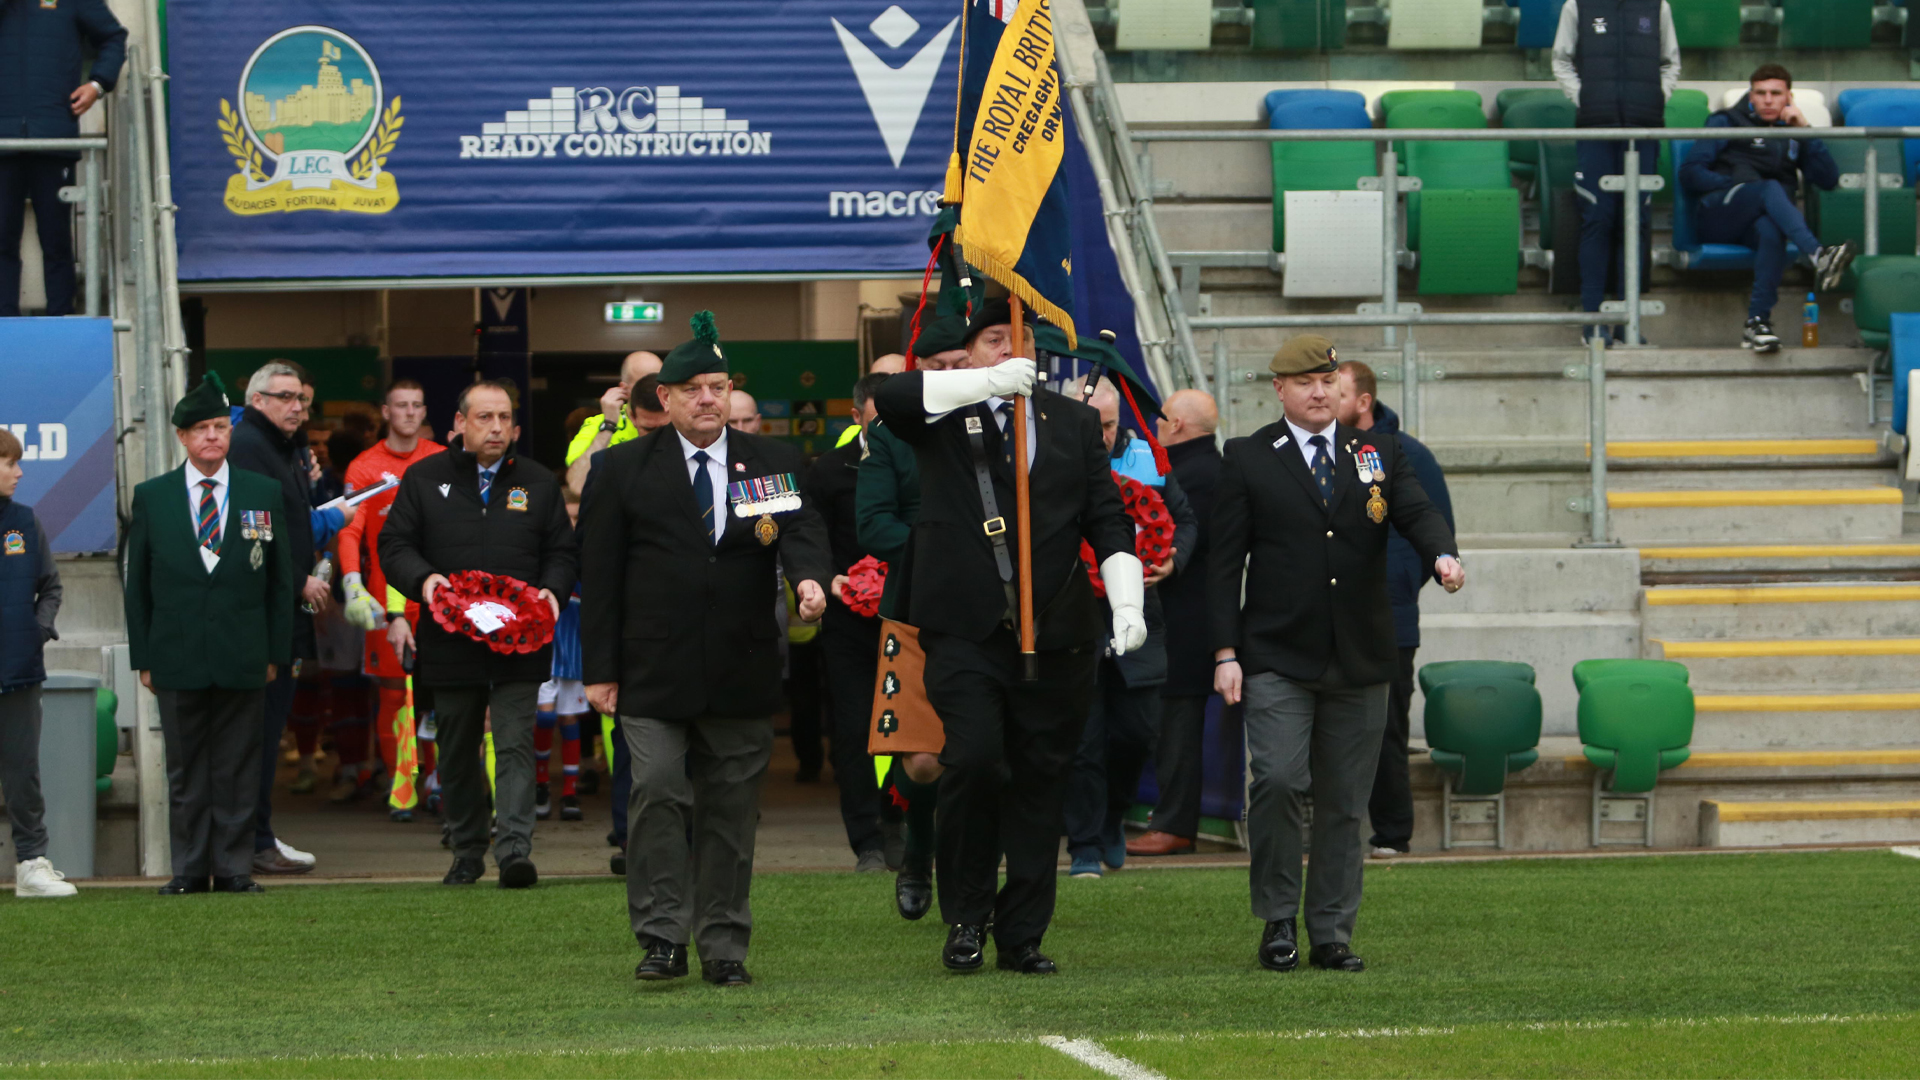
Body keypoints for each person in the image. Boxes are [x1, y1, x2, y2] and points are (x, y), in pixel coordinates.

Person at [872, 298, 1143, 975]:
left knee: (1040, 779)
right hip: (966, 629)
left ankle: (1022, 931)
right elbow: (893, 395)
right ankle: (966, 916)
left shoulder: (1074, 421)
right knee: (976, 761)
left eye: (1018, 338)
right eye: (994, 339)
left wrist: (1127, 599)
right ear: (971, 351)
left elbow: (1105, 518)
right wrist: (987, 383)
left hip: (1058, 632)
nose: (1008, 349)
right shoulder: (944, 412)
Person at [580, 312, 831, 988]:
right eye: (692, 388)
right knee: (658, 790)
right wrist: (597, 669)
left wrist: (808, 578)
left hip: (741, 666)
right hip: (650, 669)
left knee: (729, 810)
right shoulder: (624, 468)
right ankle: (662, 936)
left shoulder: (768, 462)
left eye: (718, 386)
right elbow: (599, 577)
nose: (708, 399)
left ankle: (723, 943)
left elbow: (798, 532)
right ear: (664, 397)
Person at [1211, 335, 1463, 974]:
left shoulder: (1376, 452)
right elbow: (1221, 566)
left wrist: (1441, 554)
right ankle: (1276, 918)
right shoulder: (1246, 457)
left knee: (1347, 800)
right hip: (1275, 653)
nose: (1319, 392)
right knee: (1276, 781)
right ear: (1280, 390)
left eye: (1327, 380)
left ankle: (1330, 931)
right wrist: (1224, 651)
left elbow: (1415, 510)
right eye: (1305, 382)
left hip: (1360, 652)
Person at [379, 380, 577, 889]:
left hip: (522, 639)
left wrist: (553, 591)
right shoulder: (424, 479)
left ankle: (514, 852)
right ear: (460, 424)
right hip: (450, 640)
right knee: (458, 747)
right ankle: (466, 849)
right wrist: (426, 582)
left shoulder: (537, 482)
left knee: (514, 743)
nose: (495, 427)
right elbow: (394, 543)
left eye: (504, 418)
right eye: (484, 418)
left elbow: (562, 550)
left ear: (515, 426)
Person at [124, 373, 296, 895]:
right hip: (176, 656)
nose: (213, 437)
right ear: (181, 436)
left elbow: (279, 580)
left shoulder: (260, 492)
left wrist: (276, 653)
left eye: (220, 427)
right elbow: (139, 587)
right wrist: (143, 657)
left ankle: (236, 867)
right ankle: (191, 869)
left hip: (244, 653)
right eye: (201, 429)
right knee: (187, 769)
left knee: (238, 766)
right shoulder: (153, 497)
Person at [856, 313, 972, 920]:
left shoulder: (1000, 427)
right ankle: (918, 854)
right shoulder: (892, 435)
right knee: (924, 760)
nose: (953, 378)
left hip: (990, 614)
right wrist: (949, 550)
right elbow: (873, 524)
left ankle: (969, 874)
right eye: (939, 370)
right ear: (917, 373)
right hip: (916, 611)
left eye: (962, 366)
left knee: (978, 754)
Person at [1063, 376, 1197, 880]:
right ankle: (1084, 844)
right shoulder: (1048, 455)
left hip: (1140, 615)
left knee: (1137, 734)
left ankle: (1115, 814)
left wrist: (1173, 560)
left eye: (1109, 424)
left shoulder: (1149, 458)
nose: (1101, 434)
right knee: (1082, 739)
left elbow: (1185, 522)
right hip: (1074, 617)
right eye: (1092, 424)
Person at [228, 362, 346, 876]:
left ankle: (257, 835)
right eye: (285, 397)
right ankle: (251, 841)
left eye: (301, 398)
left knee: (266, 728)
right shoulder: (249, 446)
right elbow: (253, 530)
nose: (297, 406)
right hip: (264, 619)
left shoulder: (284, 448)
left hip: (285, 615)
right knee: (256, 732)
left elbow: (291, 521)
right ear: (257, 400)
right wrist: (299, 578)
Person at [1334, 360, 1454, 859]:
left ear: (1364, 401)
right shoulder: (1326, 453)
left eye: (1335, 392)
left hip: (1390, 620)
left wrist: (1394, 590)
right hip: (1332, 616)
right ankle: (1333, 833)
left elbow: (1434, 531)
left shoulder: (1409, 455)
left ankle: (1392, 834)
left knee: (1387, 729)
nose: (1324, 400)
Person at [1681, 65, 1855, 353]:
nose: (1768, 100)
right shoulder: (1727, 121)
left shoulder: (1792, 132)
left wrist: (1804, 131)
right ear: (1751, 95)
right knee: (1770, 188)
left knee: (1771, 230)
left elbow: (1828, 179)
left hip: (1758, 221)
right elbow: (1690, 172)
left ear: (1789, 97)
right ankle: (1818, 255)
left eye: (1776, 93)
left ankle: (1757, 323)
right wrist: (1734, 183)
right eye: (1761, 93)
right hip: (1720, 215)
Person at [337, 380, 446, 821]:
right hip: (387, 597)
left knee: (439, 695)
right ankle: (403, 783)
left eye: (416, 405)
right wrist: (351, 580)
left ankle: (438, 780)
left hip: (439, 597)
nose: (408, 413)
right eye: (400, 406)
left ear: (424, 412)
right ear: (385, 412)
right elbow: (349, 528)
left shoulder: (442, 459)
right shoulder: (365, 466)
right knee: (395, 694)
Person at [808, 371, 896, 871]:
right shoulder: (829, 469)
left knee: (915, 727)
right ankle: (867, 839)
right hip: (848, 620)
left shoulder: (919, 461)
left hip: (910, 617)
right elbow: (809, 533)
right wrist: (829, 577)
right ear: (856, 414)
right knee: (852, 728)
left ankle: (903, 821)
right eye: (877, 416)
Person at [1552, 0, 1678, 345]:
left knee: (1634, 224)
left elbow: (1670, 62)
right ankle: (1593, 324)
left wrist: (1655, 98)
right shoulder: (1577, 6)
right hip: (1596, 131)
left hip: (1644, 130)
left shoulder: (1657, 7)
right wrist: (1586, 99)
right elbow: (1561, 60)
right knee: (1598, 218)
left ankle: (1629, 324)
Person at [1129, 389, 1222, 858]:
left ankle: (1174, 822)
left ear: (1179, 424)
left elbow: (1179, 539)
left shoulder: (1198, 474)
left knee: (1176, 728)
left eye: (1162, 418)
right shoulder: (1194, 467)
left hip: (1186, 622)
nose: (1156, 425)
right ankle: (1167, 817)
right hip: (1179, 621)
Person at [0, 0, 125, 317]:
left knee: (56, 241)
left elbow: (113, 37)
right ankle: (3, 325)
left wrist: (97, 85)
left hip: (53, 136)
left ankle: (60, 320)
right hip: (2, 142)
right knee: (1, 239)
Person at [0, 428, 74, 897]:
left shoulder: (24, 522)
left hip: (18, 671)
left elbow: (51, 586)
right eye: (9, 463)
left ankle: (31, 863)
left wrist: (36, 632)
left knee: (22, 772)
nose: (19, 472)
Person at [535, 485, 587, 823]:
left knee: (570, 718)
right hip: (544, 644)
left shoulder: (590, 549)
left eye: (577, 517)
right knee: (544, 715)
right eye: (566, 517)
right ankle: (541, 785)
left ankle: (570, 790)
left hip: (577, 644)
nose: (572, 524)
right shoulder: (543, 550)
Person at [564, 352, 662, 495]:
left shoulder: (681, 419)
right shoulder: (597, 424)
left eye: (659, 382)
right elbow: (578, 484)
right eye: (643, 384)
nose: (654, 390)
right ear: (624, 389)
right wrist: (608, 425)